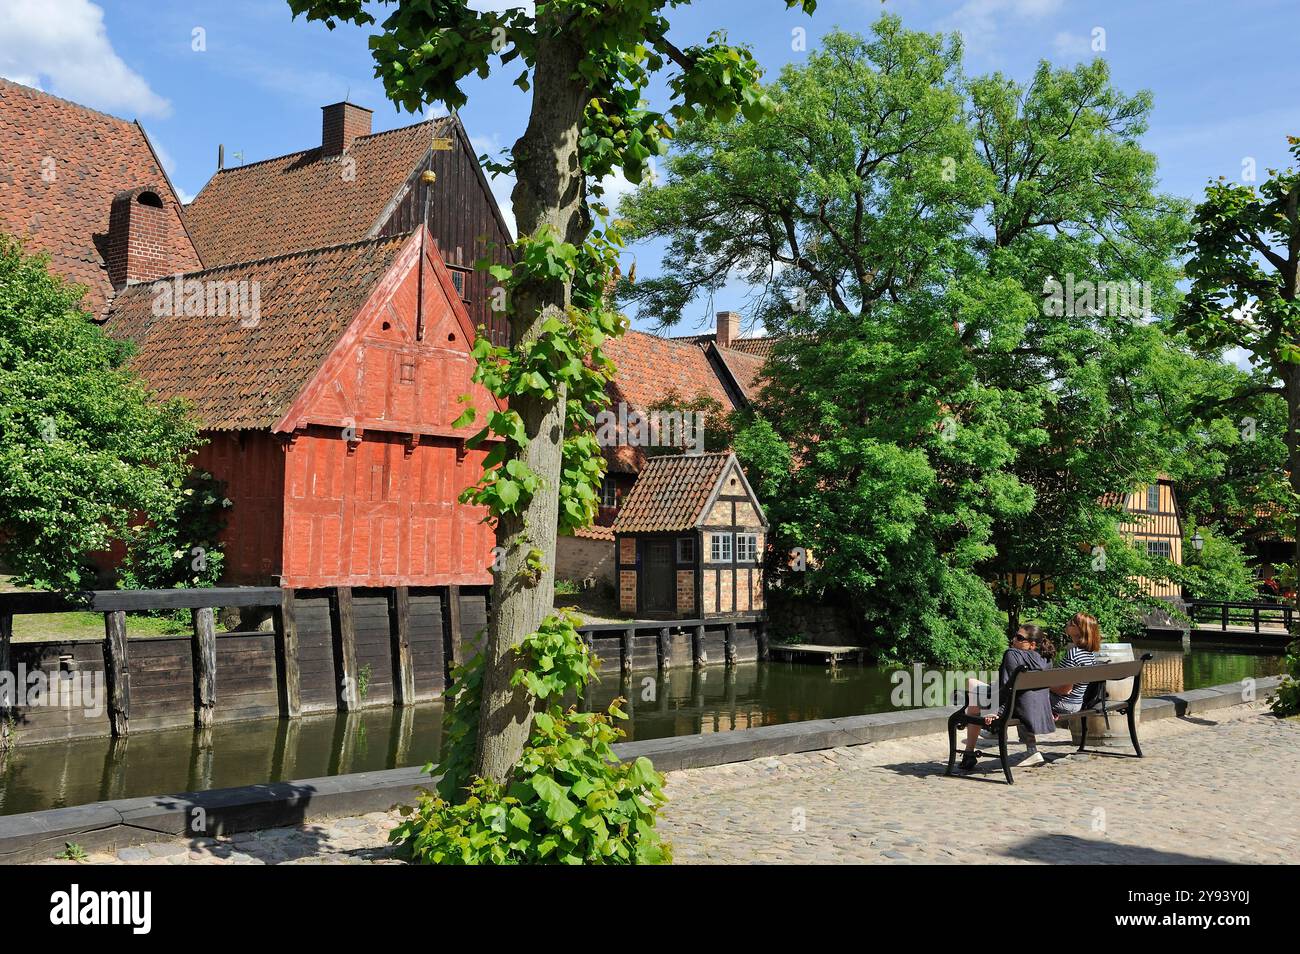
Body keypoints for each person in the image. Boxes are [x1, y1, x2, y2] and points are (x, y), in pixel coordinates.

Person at [959, 625, 1057, 771]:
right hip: (1034, 708)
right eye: (1015, 635)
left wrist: (996, 713)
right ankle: (1029, 749)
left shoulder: (1013, 654)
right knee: (975, 686)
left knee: (973, 691)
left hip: (1016, 708)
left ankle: (970, 752)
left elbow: (1007, 688)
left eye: (1019, 638)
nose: (1013, 639)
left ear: (1032, 644)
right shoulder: (1046, 659)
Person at [1049, 612, 1101, 716]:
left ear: (1080, 630)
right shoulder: (1089, 654)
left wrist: (1044, 686)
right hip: (1076, 702)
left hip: (1064, 703)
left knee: (1025, 697)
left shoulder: (1074, 653)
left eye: (1072, 623)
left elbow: (1065, 689)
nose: (1067, 623)